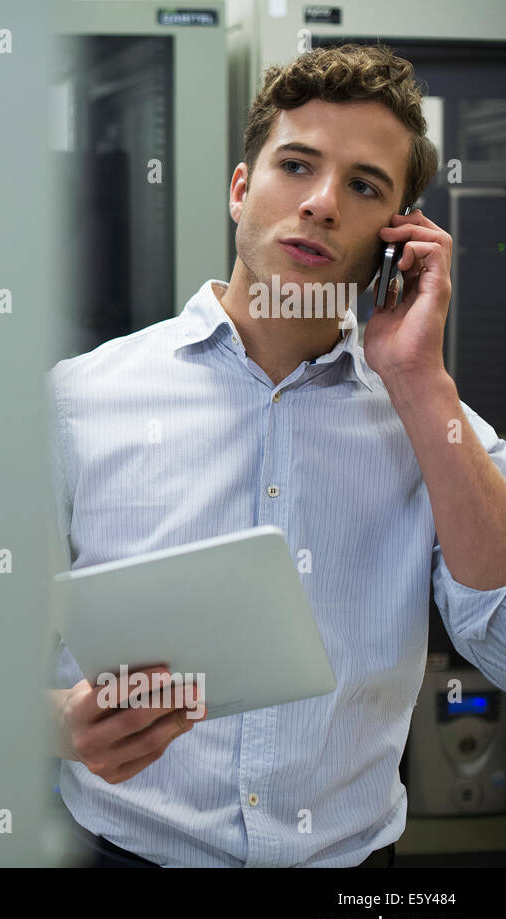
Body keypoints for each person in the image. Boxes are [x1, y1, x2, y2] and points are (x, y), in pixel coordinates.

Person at [46, 43, 506, 867]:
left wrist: (419, 378)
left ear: (400, 239)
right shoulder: (80, 401)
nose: (323, 203)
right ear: (239, 188)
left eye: (365, 185)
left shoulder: (436, 424)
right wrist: (52, 724)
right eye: (296, 166)